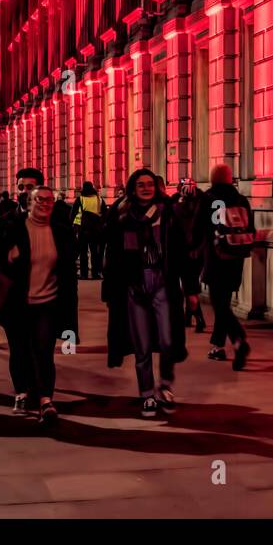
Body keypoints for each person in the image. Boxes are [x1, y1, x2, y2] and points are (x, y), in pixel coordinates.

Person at [102, 169, 188, 418]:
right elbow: (110, 251)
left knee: (168, 338)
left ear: (156, 187)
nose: (146, 188)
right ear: (133, 187)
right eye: (141, 184)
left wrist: (190, 287)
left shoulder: (168, 212)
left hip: (163, 281)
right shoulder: (121, 213)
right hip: (134, 283)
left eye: (150, 184)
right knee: (142, 343)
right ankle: (147, 393)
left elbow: (182, 250)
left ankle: (166, 384)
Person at [0, 184, 78, 427]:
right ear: (29, 203)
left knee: (44, 351)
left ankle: (46, 400)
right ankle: (21, 393)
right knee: (20, 350)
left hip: (48, 301)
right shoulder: (12, 227)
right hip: (18, 301)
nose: (44, 204)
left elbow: (67, 268)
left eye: (48, 200)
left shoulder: (61, 231)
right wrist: (7, 254)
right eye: (38, 200)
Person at [194, 164, 254, 369]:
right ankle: (218, 346)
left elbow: (198, 228)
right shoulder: (241, 200)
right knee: (224, 303)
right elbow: (251, 230)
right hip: (236, 259)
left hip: (215, 258)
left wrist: (193, 250)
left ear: (212, 179)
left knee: (219, 305)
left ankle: (239, 341)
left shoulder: (208, 199)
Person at [171, 178, 207, 333]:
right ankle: (188, 317)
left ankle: (199, 318)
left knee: (188, 289)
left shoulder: (175, 208)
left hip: (180, 253)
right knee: (190, 286)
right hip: (197, 253)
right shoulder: (202, 206)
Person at [72, 181, 107, 279]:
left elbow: (73, 213)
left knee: (83, 252)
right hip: (96, 230)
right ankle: (95, 274)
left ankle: (84, 274)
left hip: (83, 229)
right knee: (94, 252)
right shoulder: (99, 199)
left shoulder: (80, 199)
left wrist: (70, 226)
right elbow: (105, 214)